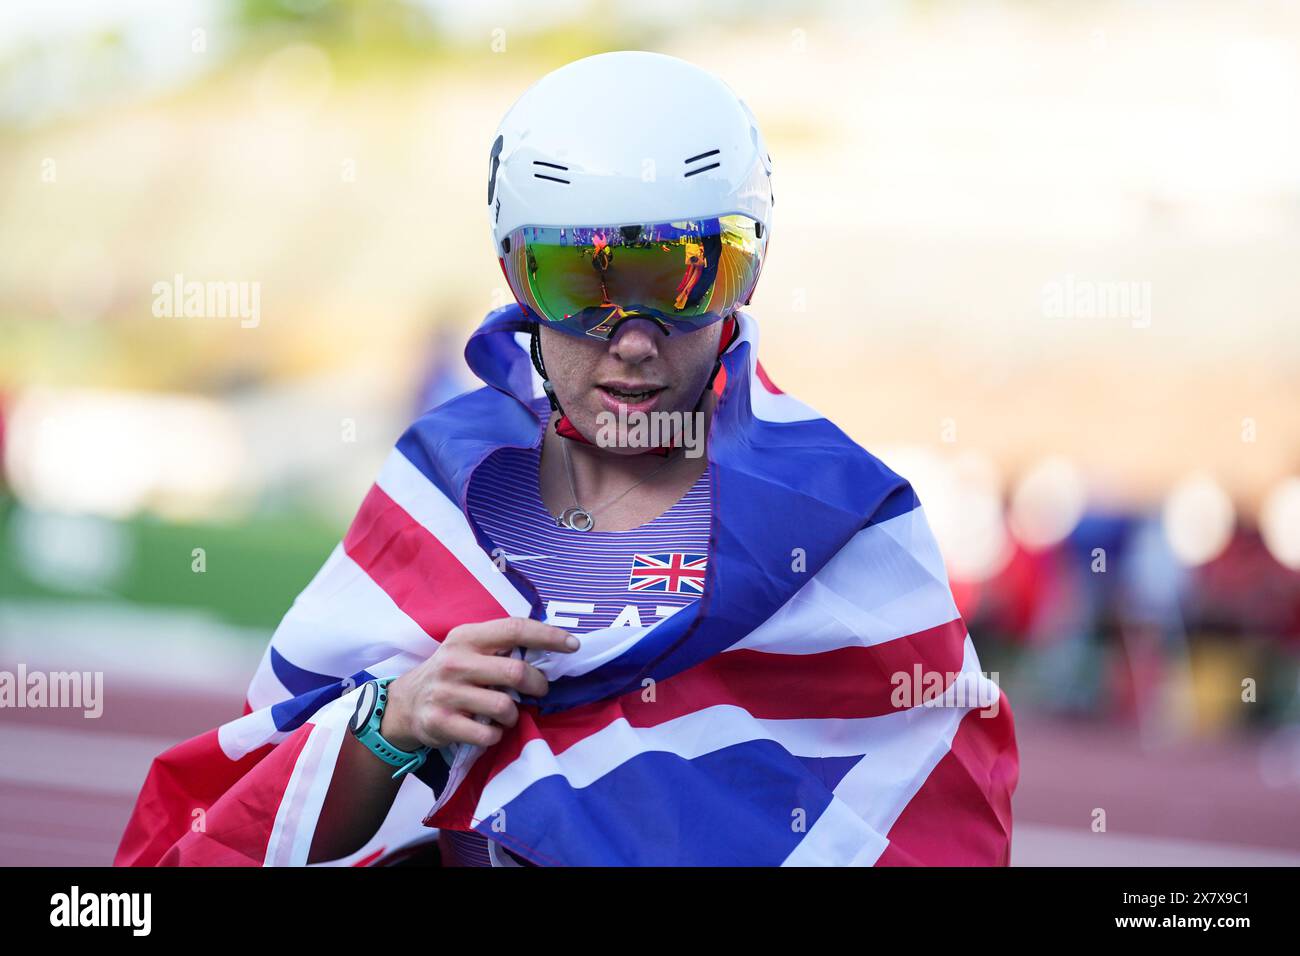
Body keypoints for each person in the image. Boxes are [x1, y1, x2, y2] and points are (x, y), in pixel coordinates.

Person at [116, 51, 1017, 868]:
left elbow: (932, 817)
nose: (632, 340)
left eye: (683, 277)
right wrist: (392, 722)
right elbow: (245, 821)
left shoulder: (842, 510)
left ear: (748, 273)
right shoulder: (441, 482)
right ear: (514, 276)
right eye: (579, 281)